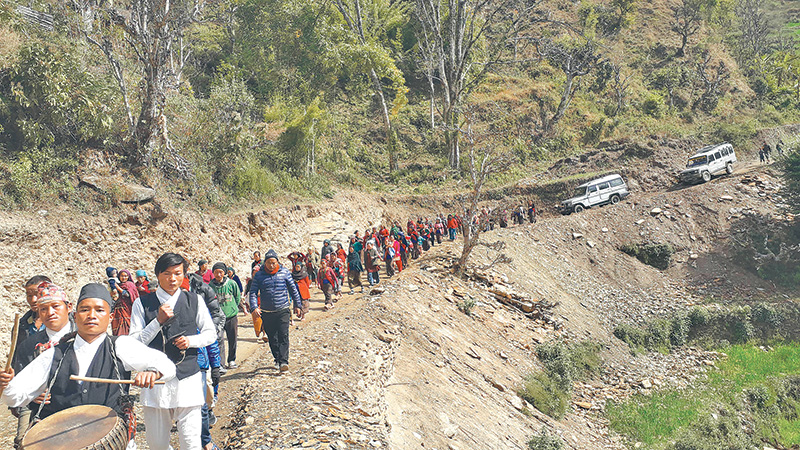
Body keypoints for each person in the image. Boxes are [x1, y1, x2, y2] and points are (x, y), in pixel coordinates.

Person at [0, 283, 175, 446]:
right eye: (85, 310)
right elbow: (15, 396)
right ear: (75, 316)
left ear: (110, 317)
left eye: (99, 310)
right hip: (64, 443)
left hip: (112, 442)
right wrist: (4, 385)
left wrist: (153, 372)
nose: (91, 315)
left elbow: (167, 366)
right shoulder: (54, 354)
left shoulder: (121, 346)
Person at [130, 252, 217, 450]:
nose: (172, 279)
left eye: (177, 273)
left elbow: (210, 333)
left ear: (184, 275)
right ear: (157, 275)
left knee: (191, 442)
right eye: (167, 273)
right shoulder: (142, 304)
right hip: (155, 383)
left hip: (188, 379)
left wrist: (191, 341)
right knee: (157, 445)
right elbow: (134, 342)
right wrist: (157, 322)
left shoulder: (194, 300)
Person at [8, 282, 73, 450]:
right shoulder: (29, 345)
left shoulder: (84, 337)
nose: (50, 313)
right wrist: (32, 394)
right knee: (24, 442)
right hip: (40, 411)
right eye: (43, 309)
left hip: (78, 407)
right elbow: (20, 379)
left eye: (55, 306)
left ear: (69, 307)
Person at [248, 250, 302, 373]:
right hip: (266, 312)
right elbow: (253, 292)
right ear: (265, 263)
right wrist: (254, 307)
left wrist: (297, 305)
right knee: (272, 338)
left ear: (277, 262)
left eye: (274, 263)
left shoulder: (284, 272)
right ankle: (277, 359)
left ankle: (284, 361)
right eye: (269, 263)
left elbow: (293, 289)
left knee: (283, 335)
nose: (271, 265)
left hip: (283, 309)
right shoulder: (259, 275)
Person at [210, 262, 242, 370]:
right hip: (217, 318)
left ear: (225, 272)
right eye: (216, 272)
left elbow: (237, 296)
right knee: (219, 340)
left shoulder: (231, 283)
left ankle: (231, 360)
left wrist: (233, 308)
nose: (218, 275)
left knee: (232, 338)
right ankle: (220, 363)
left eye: (221, 272)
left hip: (231, 316)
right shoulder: (210, 286)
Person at [17, 276, 51, 351]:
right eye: (29, 295)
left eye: (37, 294)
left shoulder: (65, 321)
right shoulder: (23, 324)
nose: (33, 300)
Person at [112, 269, 139, 336]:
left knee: (127, 325)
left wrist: (118, 288)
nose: (124, 278)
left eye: (125, 276)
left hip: (127, 309)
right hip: (118, 309)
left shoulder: (130, 284)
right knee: (117, 326)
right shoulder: (117, 284)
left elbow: (127, 295)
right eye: (122, 276)